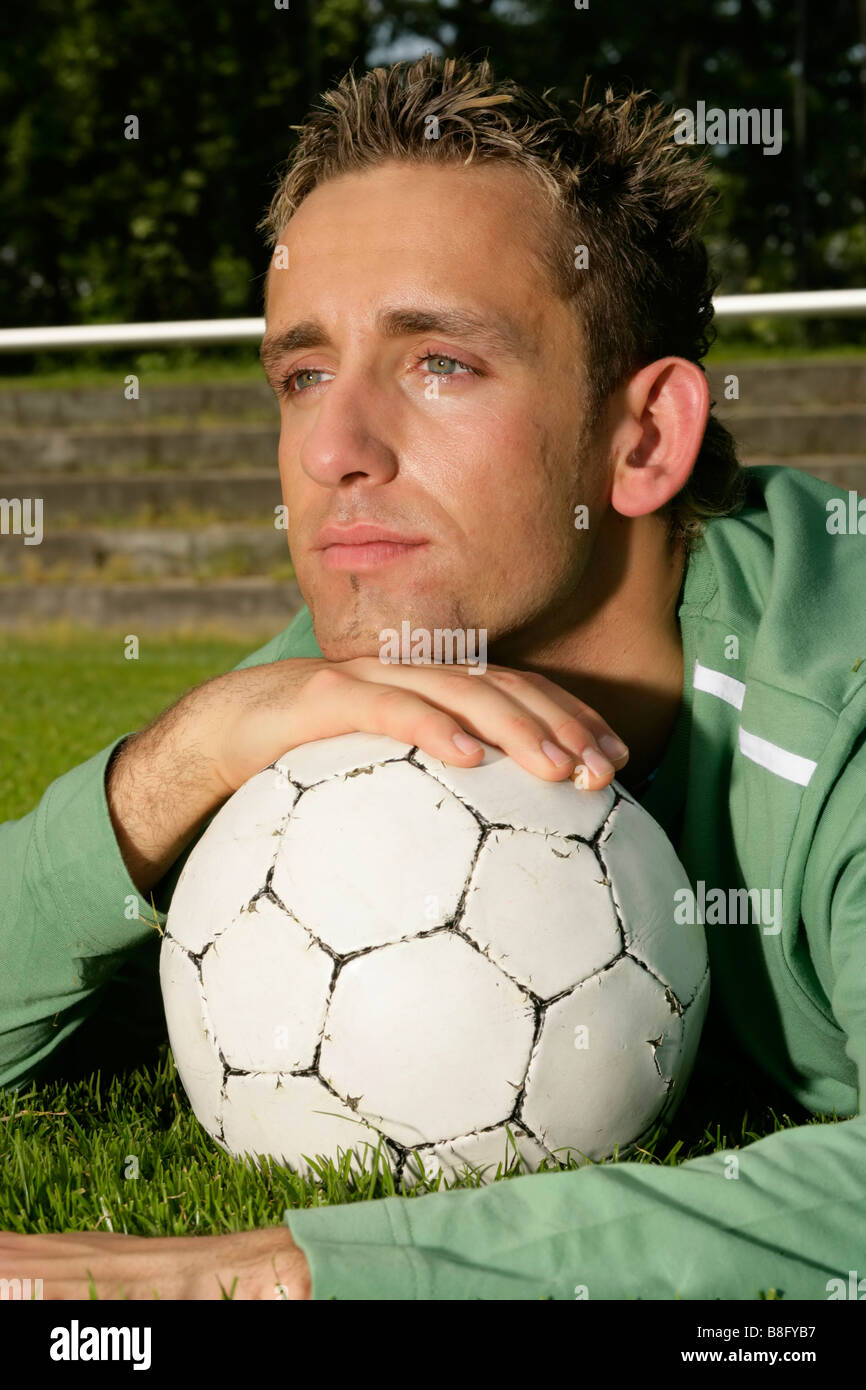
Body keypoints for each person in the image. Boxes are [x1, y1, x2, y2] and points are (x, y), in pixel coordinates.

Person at [1, 54, 864, 1301]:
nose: (334, 449)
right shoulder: (349, 696)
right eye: (301, 376)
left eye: (438, 363)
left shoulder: (829, 703)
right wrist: (168, 769)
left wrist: (309, 1270)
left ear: (643, 439)